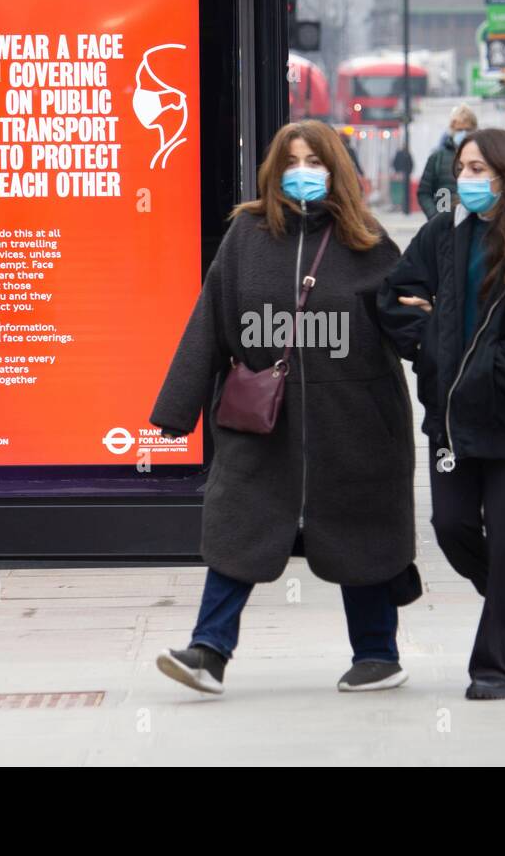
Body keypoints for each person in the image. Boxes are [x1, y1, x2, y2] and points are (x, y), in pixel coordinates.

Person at [151, 119, 418, 696]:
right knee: (238, 522)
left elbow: (405, 327)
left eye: (314, 161)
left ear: (335, 170)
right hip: (258, 420)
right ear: (274, 170)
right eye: (291, 161)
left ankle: (378, 654)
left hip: (354, 421)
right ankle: (207, 652)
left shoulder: (368, 240)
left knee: (360, 528)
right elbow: (210, 320)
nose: (302, 172)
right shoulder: (246, 235)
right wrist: (177, 411)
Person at [378, 128, 505, 699]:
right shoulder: (442, 236)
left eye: (478, 170)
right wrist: (430, 339)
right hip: (449, 415)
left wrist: (498, 371)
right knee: (452, 527)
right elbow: (393, 298)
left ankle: (498, 666)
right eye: (462, 169)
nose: (466, 180)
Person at [417, 104, 479, 219]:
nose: (464, 133)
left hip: (473, 221)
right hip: (444, 224)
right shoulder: (437, 158)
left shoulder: (483, 156)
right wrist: (434, 217)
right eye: (460, 130)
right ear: (452, 130)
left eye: (468, 130)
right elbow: (424, 193)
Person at [391, 144, 414, 213]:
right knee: (401, 190)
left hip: (400, 174)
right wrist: (408, 173)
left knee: (398, 190)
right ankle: (400, 205)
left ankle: (398, 205)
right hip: (404, 175)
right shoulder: (407, 154)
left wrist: (397, 171)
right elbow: (411, 164)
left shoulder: (401, 153)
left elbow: (394, 163)